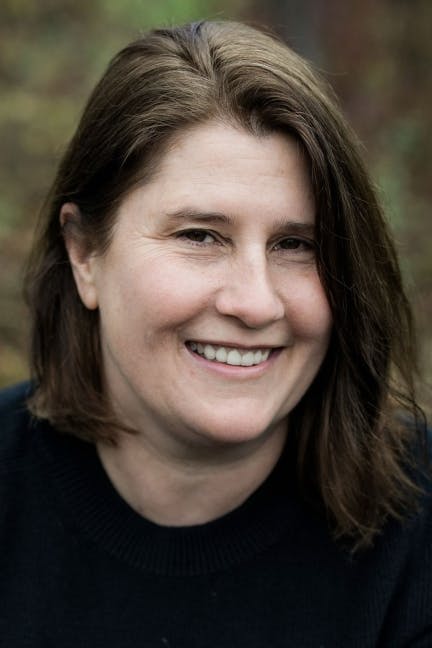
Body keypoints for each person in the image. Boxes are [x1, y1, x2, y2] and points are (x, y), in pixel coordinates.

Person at [0, 19, 430, 647]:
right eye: (200, 236)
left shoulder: (416, 535)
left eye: (296, 244)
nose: (255, 302)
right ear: (84, 253)